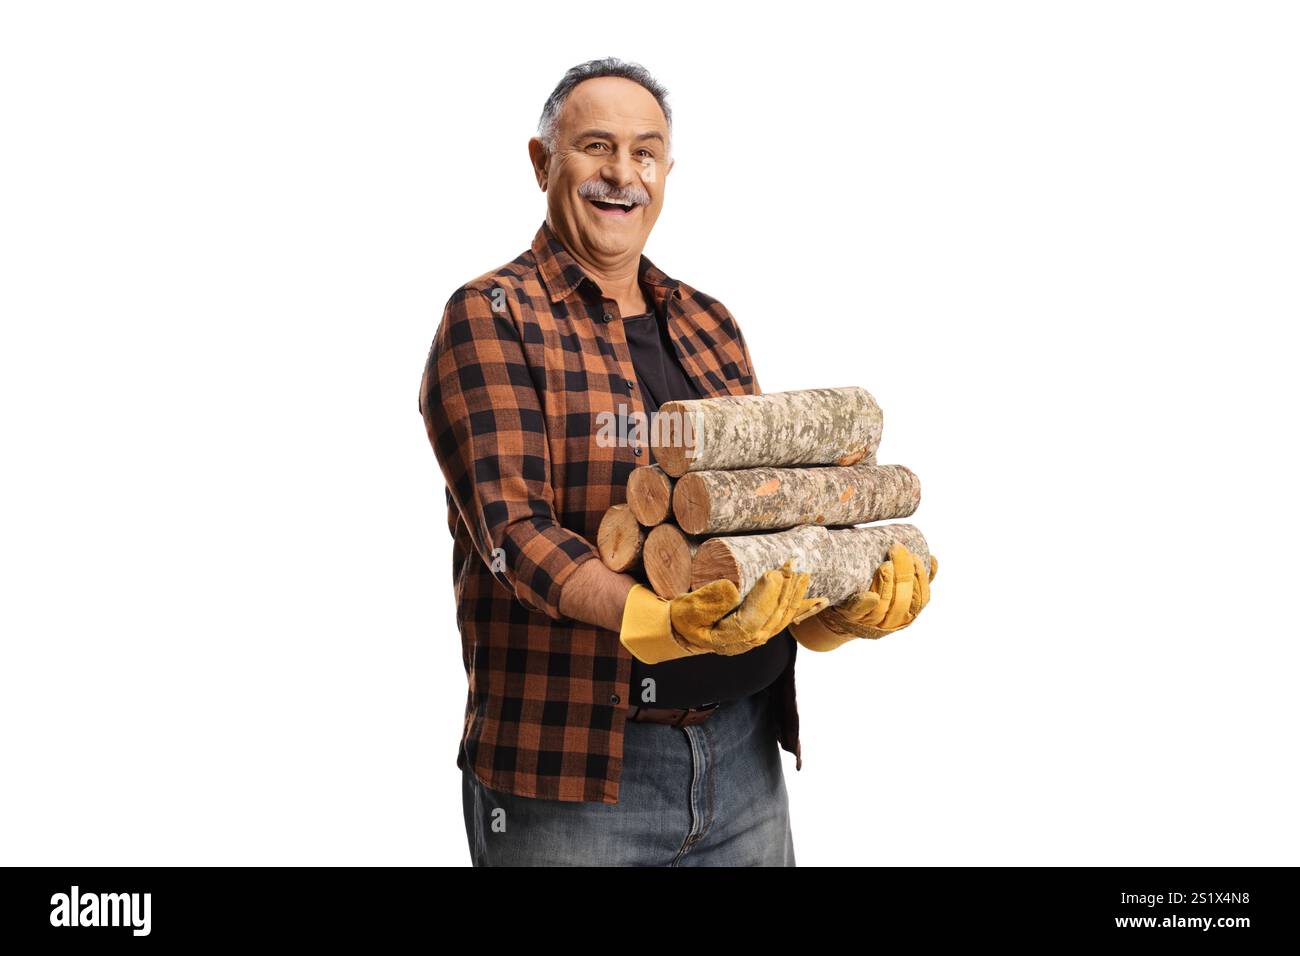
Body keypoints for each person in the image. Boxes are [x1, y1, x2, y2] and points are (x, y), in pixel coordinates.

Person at [418, 57, 937, 867]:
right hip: (575, 777)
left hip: (743, 762)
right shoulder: (491, 318)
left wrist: (829, 609)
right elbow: (512, 532)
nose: (623, 175)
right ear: (541, 160)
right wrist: (648, 619)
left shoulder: (707, 322)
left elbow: (768, 507)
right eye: (596, 147)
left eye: (645, 152)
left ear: (665, 170)